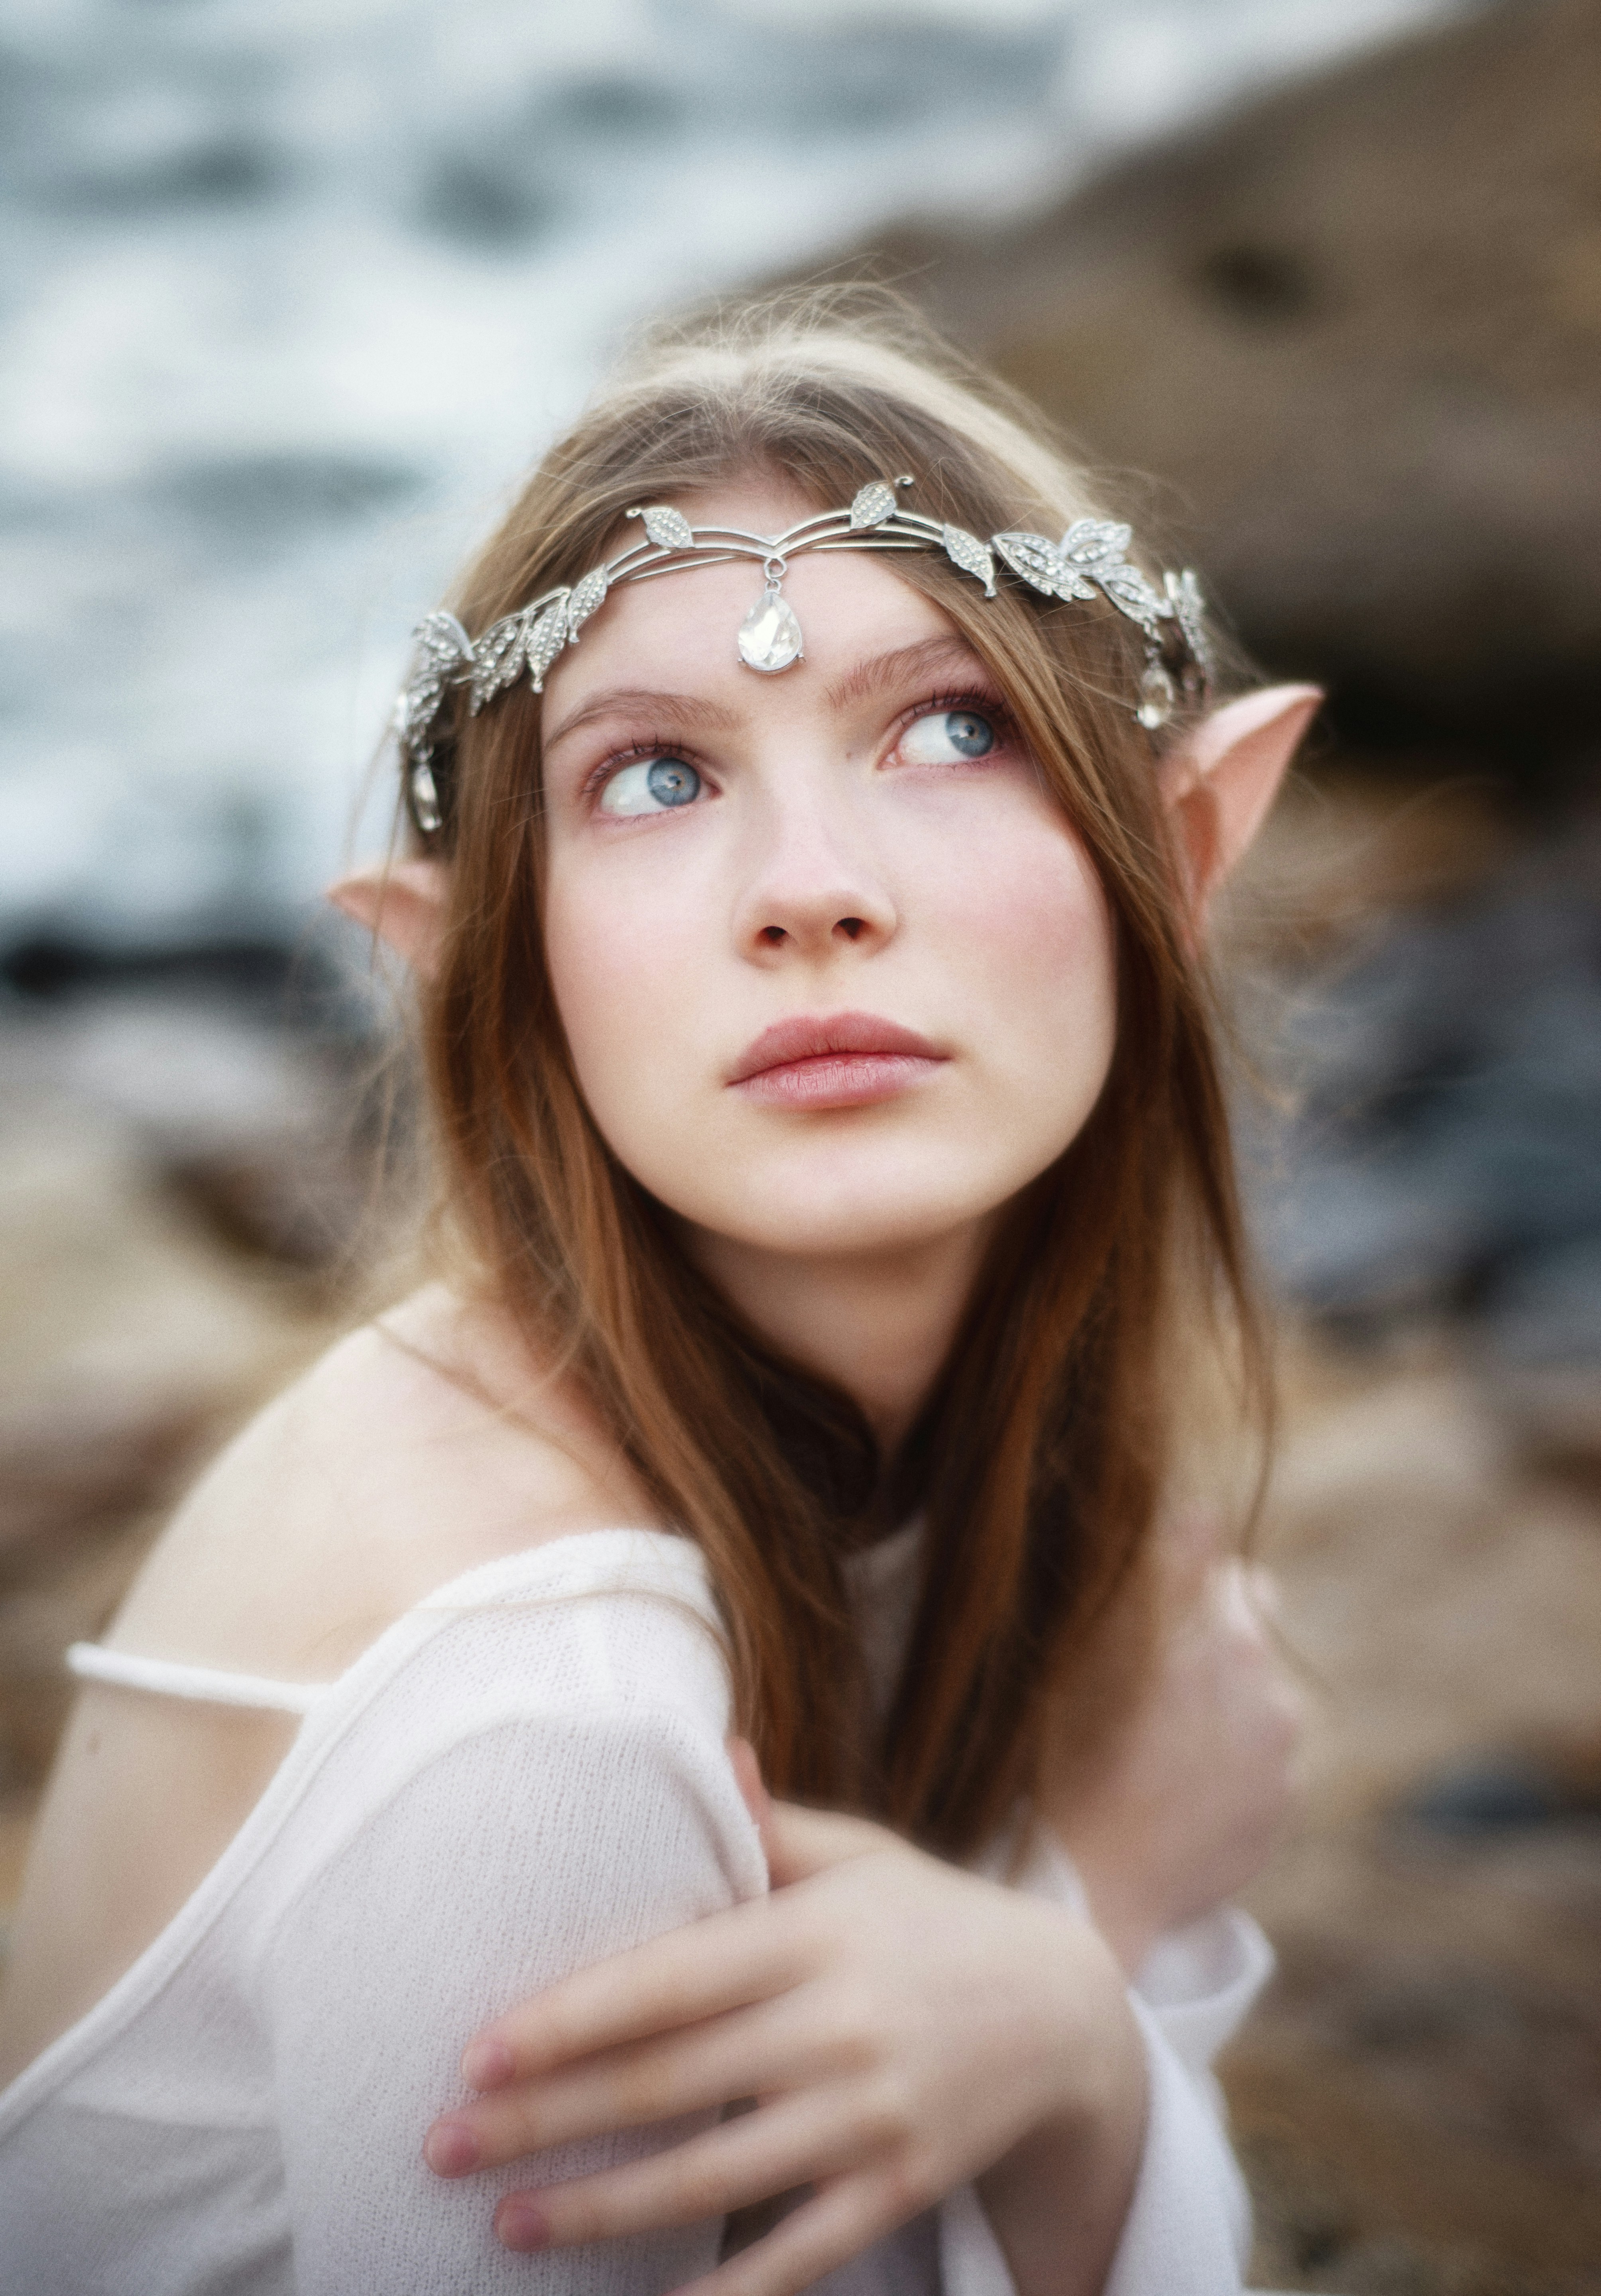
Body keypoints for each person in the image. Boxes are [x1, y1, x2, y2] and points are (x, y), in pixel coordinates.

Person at [0, 291, 1313, 2295]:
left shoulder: (1026, 1490)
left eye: (949, 726)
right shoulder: (541, 1698)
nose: (809, 885)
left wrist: (1062, 2010)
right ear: (472, 969)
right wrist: (1082, 1951)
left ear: (1188, 839)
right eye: (654, 778)